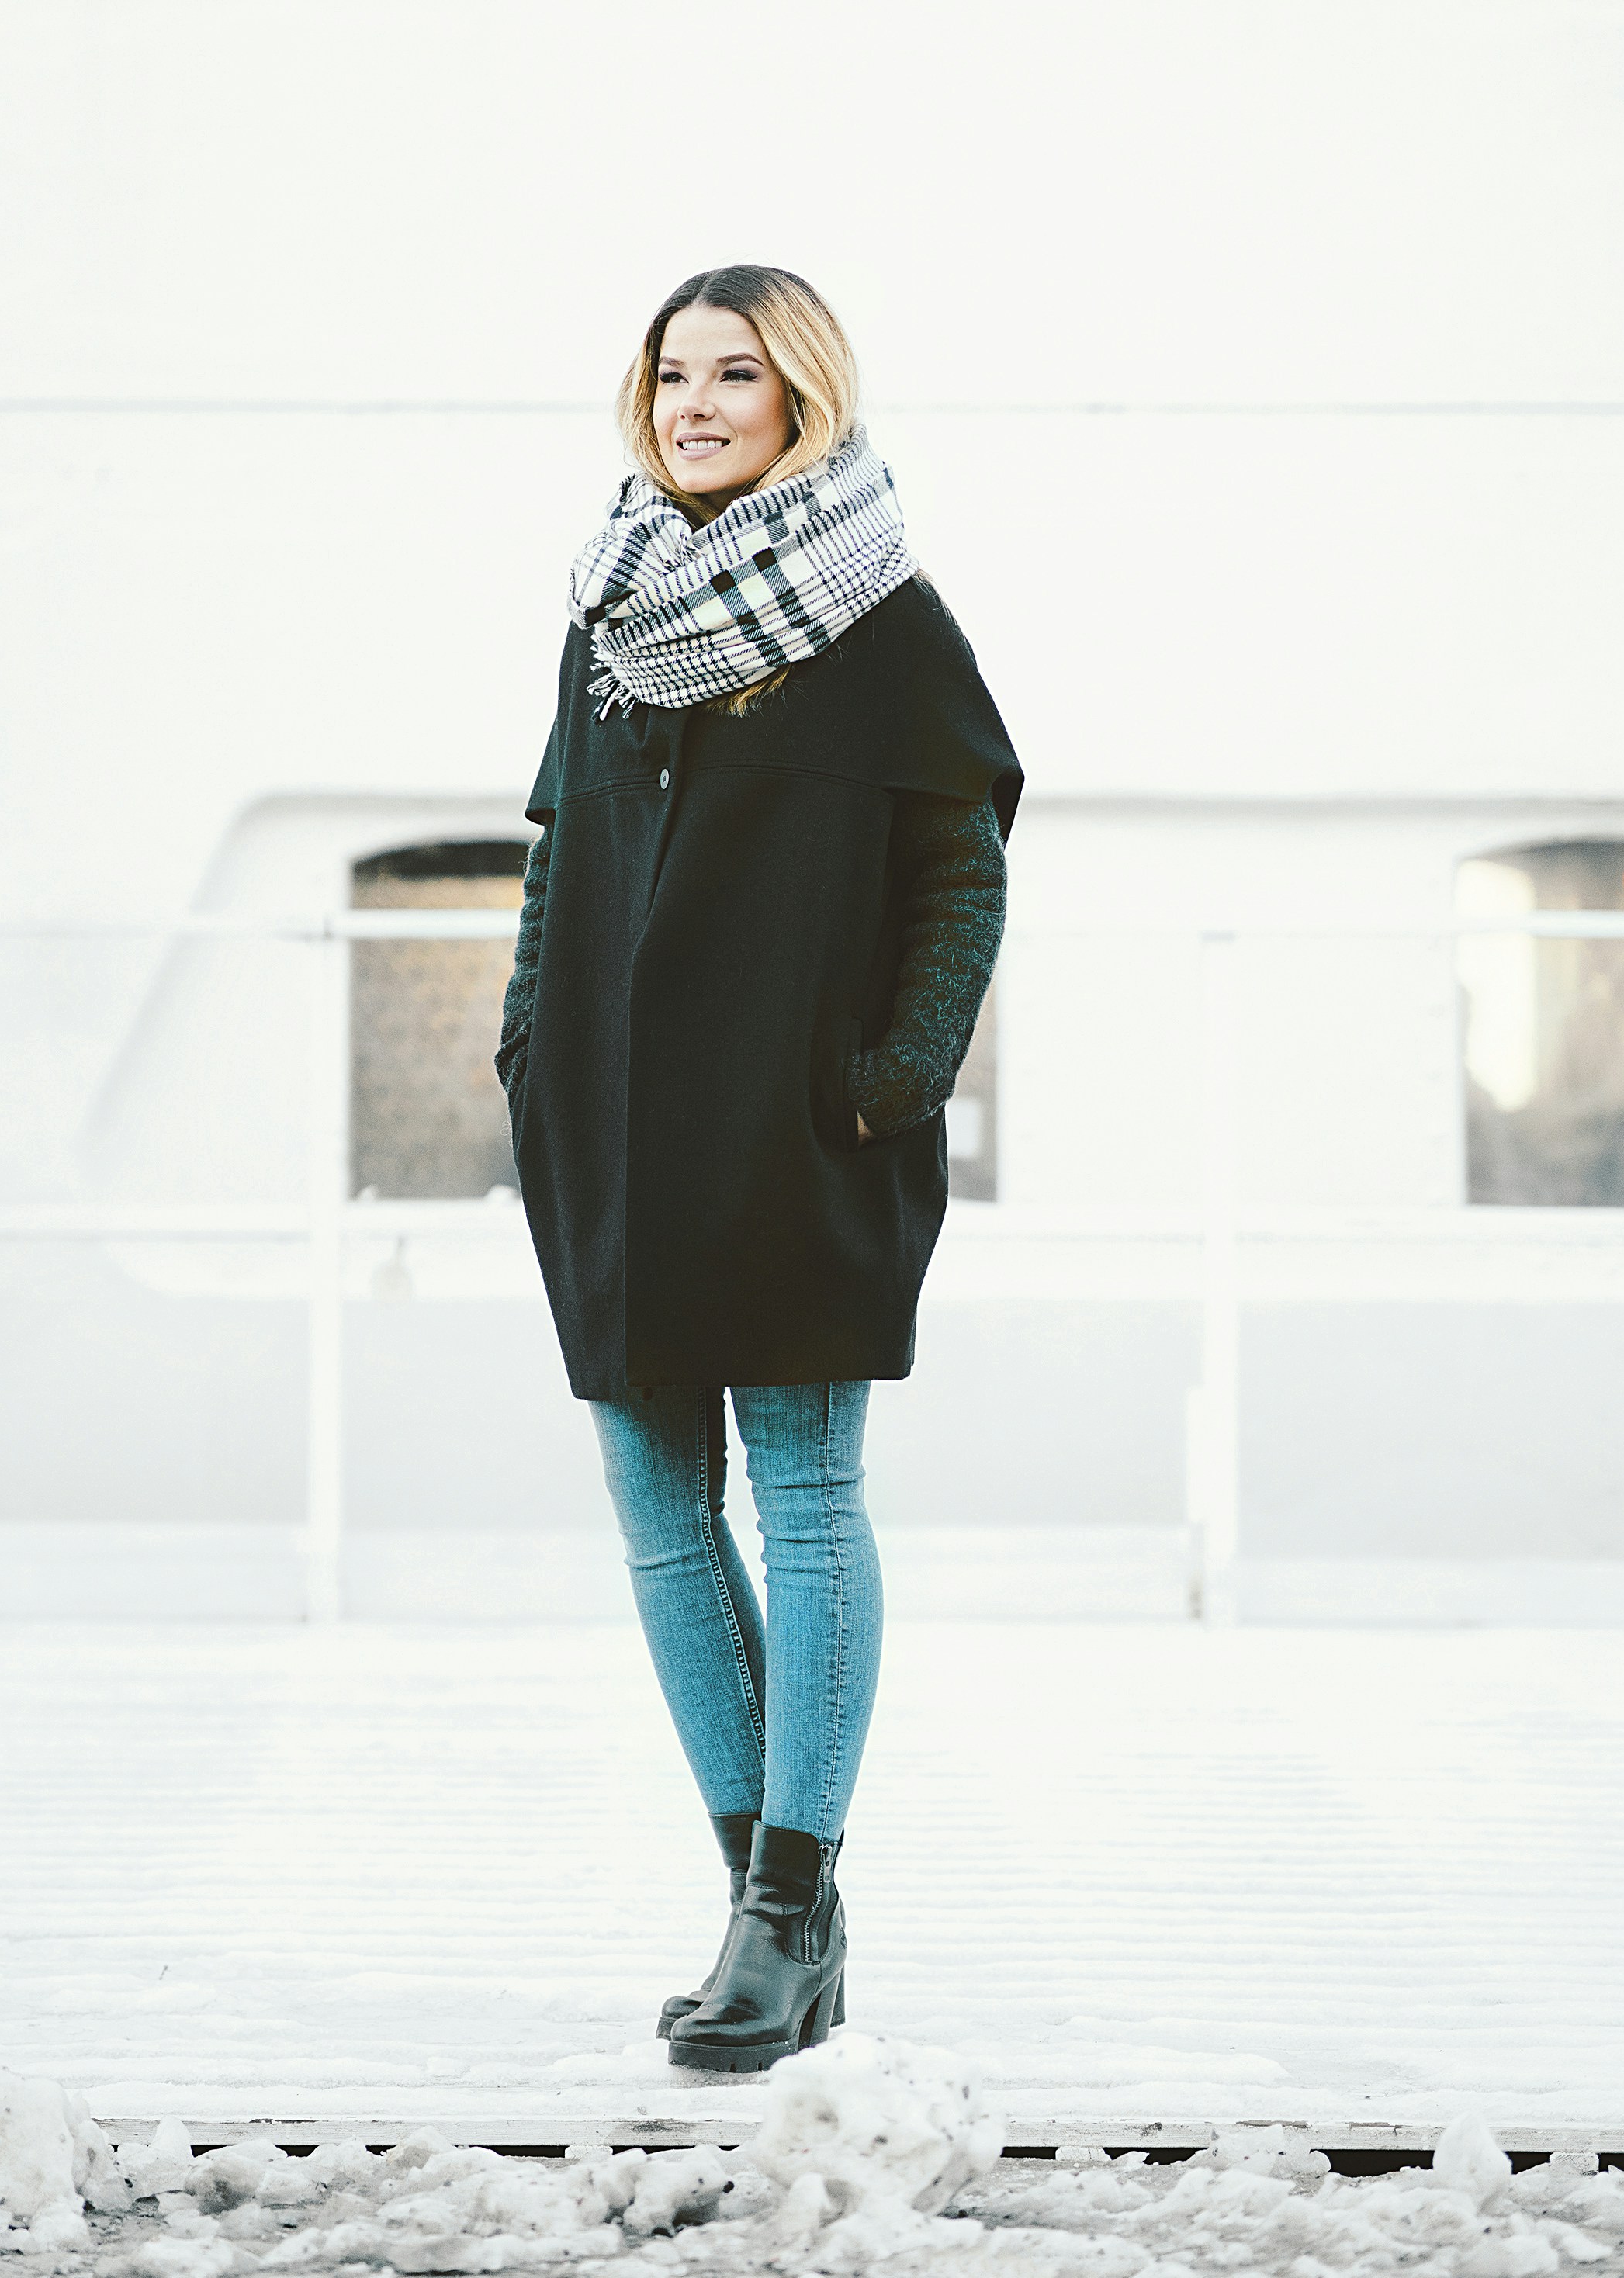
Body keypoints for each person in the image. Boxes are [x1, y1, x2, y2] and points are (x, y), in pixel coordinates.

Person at [496, 265, 1022, 2073]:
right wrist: (522, 1047)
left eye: (735, 373)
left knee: (799, 1492)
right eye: (670, 372)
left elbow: (964, 865)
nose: (696, 400)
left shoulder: (878, 615)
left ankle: (784, 1913)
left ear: (803, 395)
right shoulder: (608, 604)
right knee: (656, 1513)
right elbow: (555, 846)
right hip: (611, 1122)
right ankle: (767, 1912)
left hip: (800, 1120)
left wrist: (888, 1077)